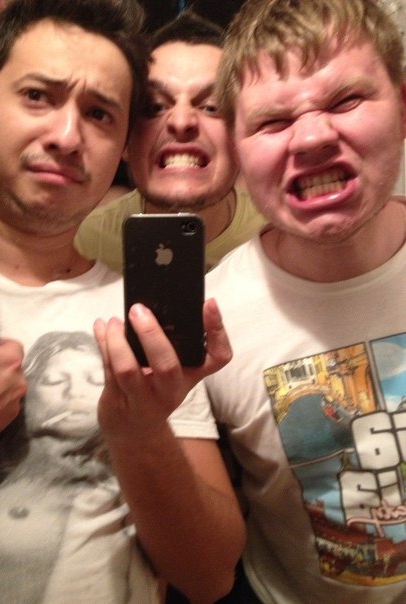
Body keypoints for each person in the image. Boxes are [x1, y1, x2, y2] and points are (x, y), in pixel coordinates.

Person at [100, 0, 406, 602]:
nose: (313, 136)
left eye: (346, 100)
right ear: (239, 148)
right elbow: (204, 572)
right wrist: (138, 430)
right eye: (272, 121)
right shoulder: (205, 322)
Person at [0, 0, 245, 602]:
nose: (66, 136)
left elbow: (209, 576)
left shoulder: (141, 317)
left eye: (98, 113)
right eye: (38, 96)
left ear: (122, 148)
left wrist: (140, 432)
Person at [75, 10, 265, 274]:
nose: (181, 121)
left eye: (212, 107)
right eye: (154, 107)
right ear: (125, 142)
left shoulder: (277, 237)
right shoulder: (84, 247)